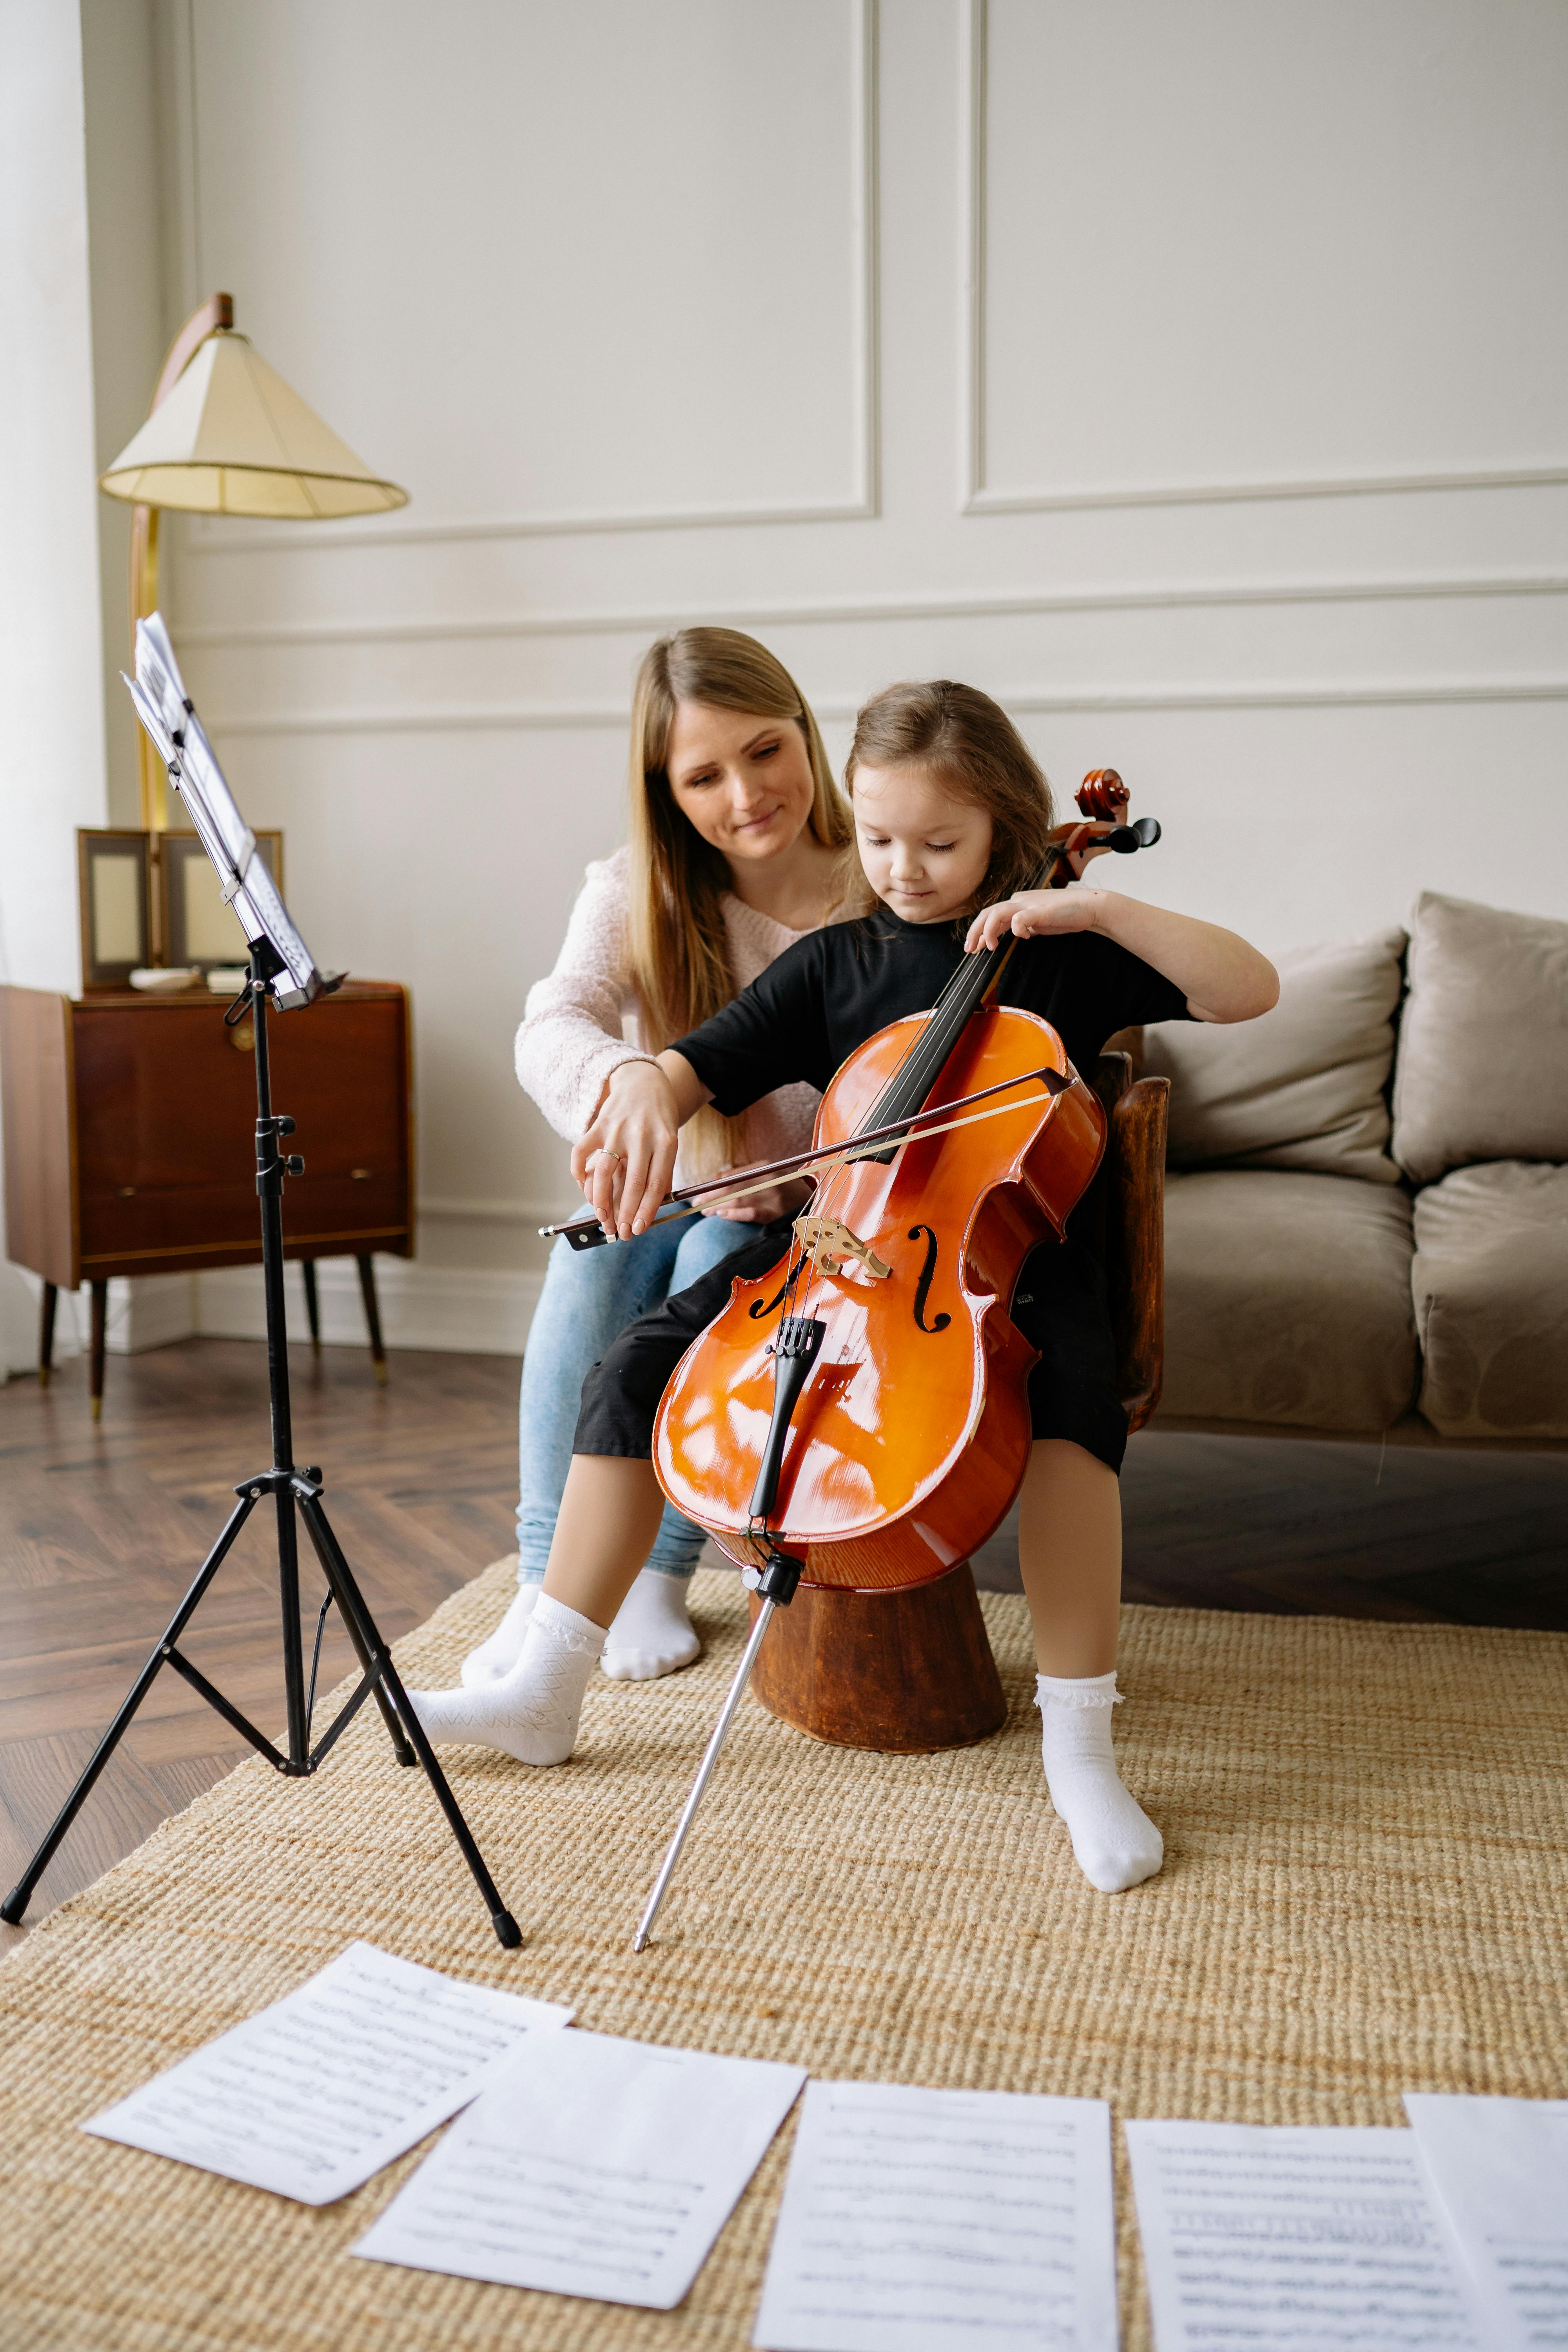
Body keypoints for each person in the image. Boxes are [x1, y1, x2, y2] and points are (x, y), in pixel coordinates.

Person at [414, 681, 1278, 1895]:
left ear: (1005, 827)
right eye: (878, 840)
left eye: (940, 844)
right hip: (845, 1254)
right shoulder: (840, 963)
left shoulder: (1070, 957)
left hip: (1013, 1270)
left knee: (1075, 1424)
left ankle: (1083, 1753)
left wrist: (1103, 903)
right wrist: (643, 1099)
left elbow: (1251, 988)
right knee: (636, 1364)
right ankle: (547, 1685)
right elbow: (695, 1061)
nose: (906, 871)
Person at [465, 627, 851, 1688]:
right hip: (694, 1198)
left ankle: (657, 1574)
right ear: (666, 790)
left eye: (766, 750)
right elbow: (552, 1023)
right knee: (597, 1249)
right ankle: (545, 1581)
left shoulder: (886, 879)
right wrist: (626, 1083)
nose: (746, 793)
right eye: (704, 775)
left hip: (821, 1220)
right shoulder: (641, 886)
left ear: (806, 734)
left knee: (705, 1256)